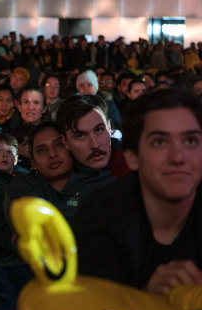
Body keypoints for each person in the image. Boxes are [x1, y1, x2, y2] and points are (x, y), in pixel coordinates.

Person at [72, 89, 202, 295]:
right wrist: (145, 299)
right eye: (159, 142)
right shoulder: (98, 220)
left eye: (190, 141)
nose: (178, 157)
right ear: (132, 157)